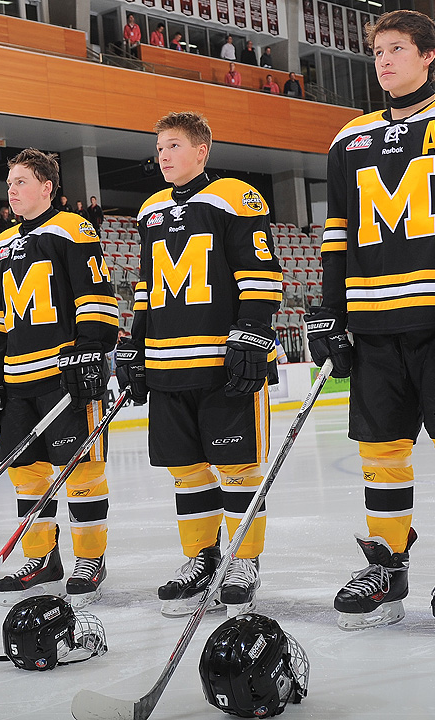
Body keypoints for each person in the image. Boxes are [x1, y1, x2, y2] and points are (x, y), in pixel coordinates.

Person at [307, 9, 435, 638]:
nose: (384, 61)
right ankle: (387, 563)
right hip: (375, 327)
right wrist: (327, 312)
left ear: (429, 55)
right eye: (376, 52)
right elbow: (338, 236)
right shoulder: (349, 140)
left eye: (397, 49)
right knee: (381, 453)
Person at [117, 111, 282, 618]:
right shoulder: (149, 210)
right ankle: (201, 558)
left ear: (201, 151)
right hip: (167, 364)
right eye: (159, 147)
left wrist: (252, 332)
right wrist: (134, 345)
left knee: (236, 469)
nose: (162, 155)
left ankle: (241, 561)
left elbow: (259, 271)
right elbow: (146, 288)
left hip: (222, 363)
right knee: (186, 472)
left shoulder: (234, 196)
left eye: (172, 146)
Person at [0, 149, 120, 609]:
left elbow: (95, 295)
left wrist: (92, 351)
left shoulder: (73, 228)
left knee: (81, 471)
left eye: (21, 181)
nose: (11, 190)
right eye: (10, 182)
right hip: (18, 380)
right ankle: (41, 557)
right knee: (26, 474)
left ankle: (89, 558)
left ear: (46, 188)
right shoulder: (0, 246)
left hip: (64, 375)